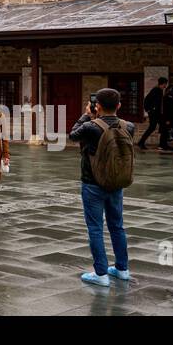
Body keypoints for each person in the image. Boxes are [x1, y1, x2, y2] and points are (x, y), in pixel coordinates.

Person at [69, 87, 135, 287]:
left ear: (97, 106)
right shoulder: (129, 126)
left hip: (92, 183)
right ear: (119, 106)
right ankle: (122, 269)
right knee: (117, 226)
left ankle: (101, 274)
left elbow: (73, 135)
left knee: (95, 228)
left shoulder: (91, 127)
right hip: (116, 183)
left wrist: (85, 115)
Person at [137, 76, 168, 149]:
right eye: (165, 84)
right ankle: (161, 144)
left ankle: (162, 144)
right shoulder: (156, 90)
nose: (165, 86)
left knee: (160, 127)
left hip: (157, 113)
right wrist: (149, 110)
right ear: (163, 83)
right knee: (153, 127)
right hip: (154, 113)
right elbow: (147, 100)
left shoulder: (159, 90)